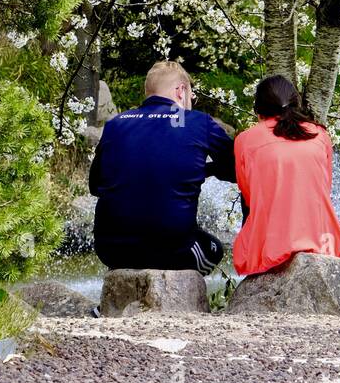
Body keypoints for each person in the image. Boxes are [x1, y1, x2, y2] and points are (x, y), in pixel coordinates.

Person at [89, 59, 235, 274]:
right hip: (173, 251)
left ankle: (117, 298)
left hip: (111, 250)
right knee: (213, 250)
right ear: (181, 91)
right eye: (191, 93)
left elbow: (95, 186)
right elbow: (235, 170)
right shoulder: (198, 122)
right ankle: (177, 300)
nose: (192, 99)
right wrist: (207, 170)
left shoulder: (116, 124)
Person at [232, 73, 340, 277]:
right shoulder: (320, 135)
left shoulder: (245, 140)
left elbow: (250, 196)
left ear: (258, 109)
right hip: (324, 241)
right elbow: (324, 188)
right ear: (296, 103)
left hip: (270, 248)